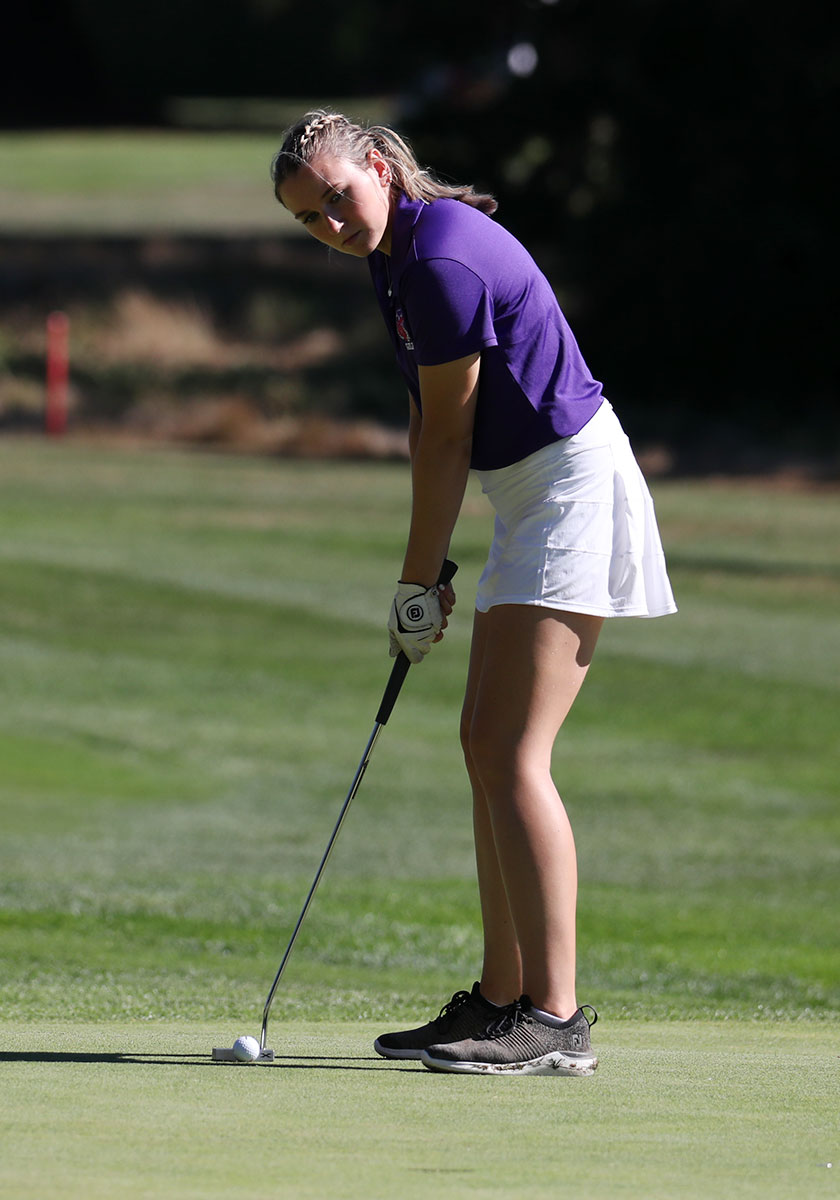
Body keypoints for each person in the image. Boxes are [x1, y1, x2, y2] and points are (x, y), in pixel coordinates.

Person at [272, 110, 677, 1075]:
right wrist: (432, 572)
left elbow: (449, 440)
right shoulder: (394, 254)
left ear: (378, 167)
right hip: (527, 493)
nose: (331, 225)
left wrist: (415, 581)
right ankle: (502, 1000)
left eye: (337, 198)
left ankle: (558, 1018)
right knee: (480, 745)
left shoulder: (442, 262)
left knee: (510, 750)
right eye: (309, 221)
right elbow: (428, 424)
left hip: (571, 489)